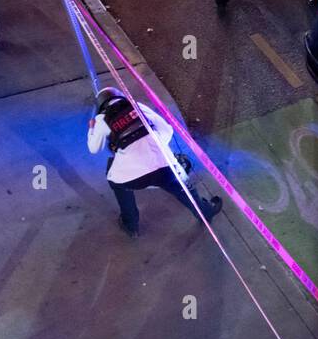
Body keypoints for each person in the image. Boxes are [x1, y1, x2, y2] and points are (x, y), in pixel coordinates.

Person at [87, 87, 222, 238]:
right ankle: (205, 212)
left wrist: (92, 129)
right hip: (164, 169)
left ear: (100, 107)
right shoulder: (136, 106)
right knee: (183, 188)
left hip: (131, 177)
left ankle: (131, 225)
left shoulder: (101, 120)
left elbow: (93, 148)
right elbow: (167, 130)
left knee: (114, 177)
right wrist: (153, 145)